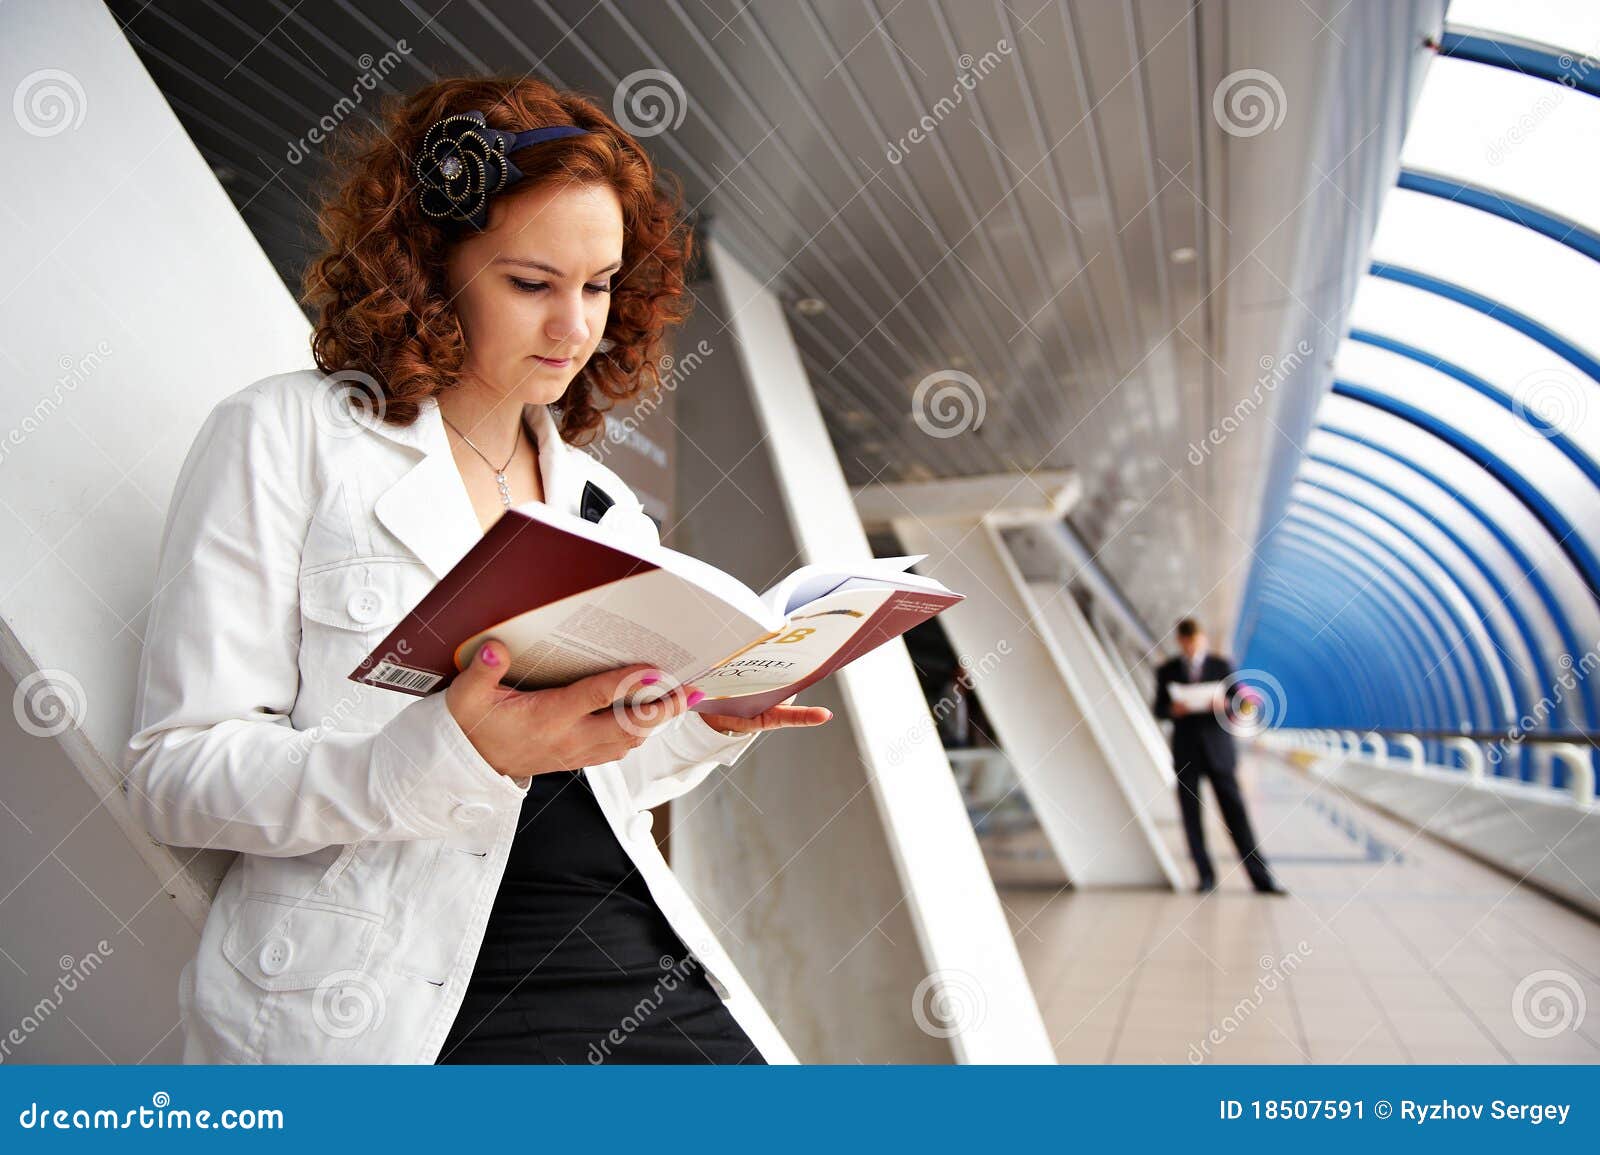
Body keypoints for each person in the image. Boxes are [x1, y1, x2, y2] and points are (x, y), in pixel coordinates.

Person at [121, 75, 834, 1065]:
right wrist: (449, 751)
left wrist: (703, 720)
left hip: (618, 944)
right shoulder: (282, 436)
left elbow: (601, 777)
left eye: (598, 287)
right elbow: (177, 773)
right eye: (532, 284)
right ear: (428, 269)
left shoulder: (598, 500)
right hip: (394, 987)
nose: (574, 328)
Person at [1152, 619, 1285, 896]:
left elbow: (1243, 704)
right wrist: (1173, 709)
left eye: (1196, 641)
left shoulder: (1220, 666)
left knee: (1236, 814)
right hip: (1186, 752)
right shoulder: (1167, 670)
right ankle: (1205, 877)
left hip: (1218, 752)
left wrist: (1225, 705)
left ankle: (1261, 879)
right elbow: (1159, 709)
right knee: (1191, 817)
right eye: (1187, 642)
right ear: (1180, 642)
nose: (1191, 646)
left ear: (1203, 639)